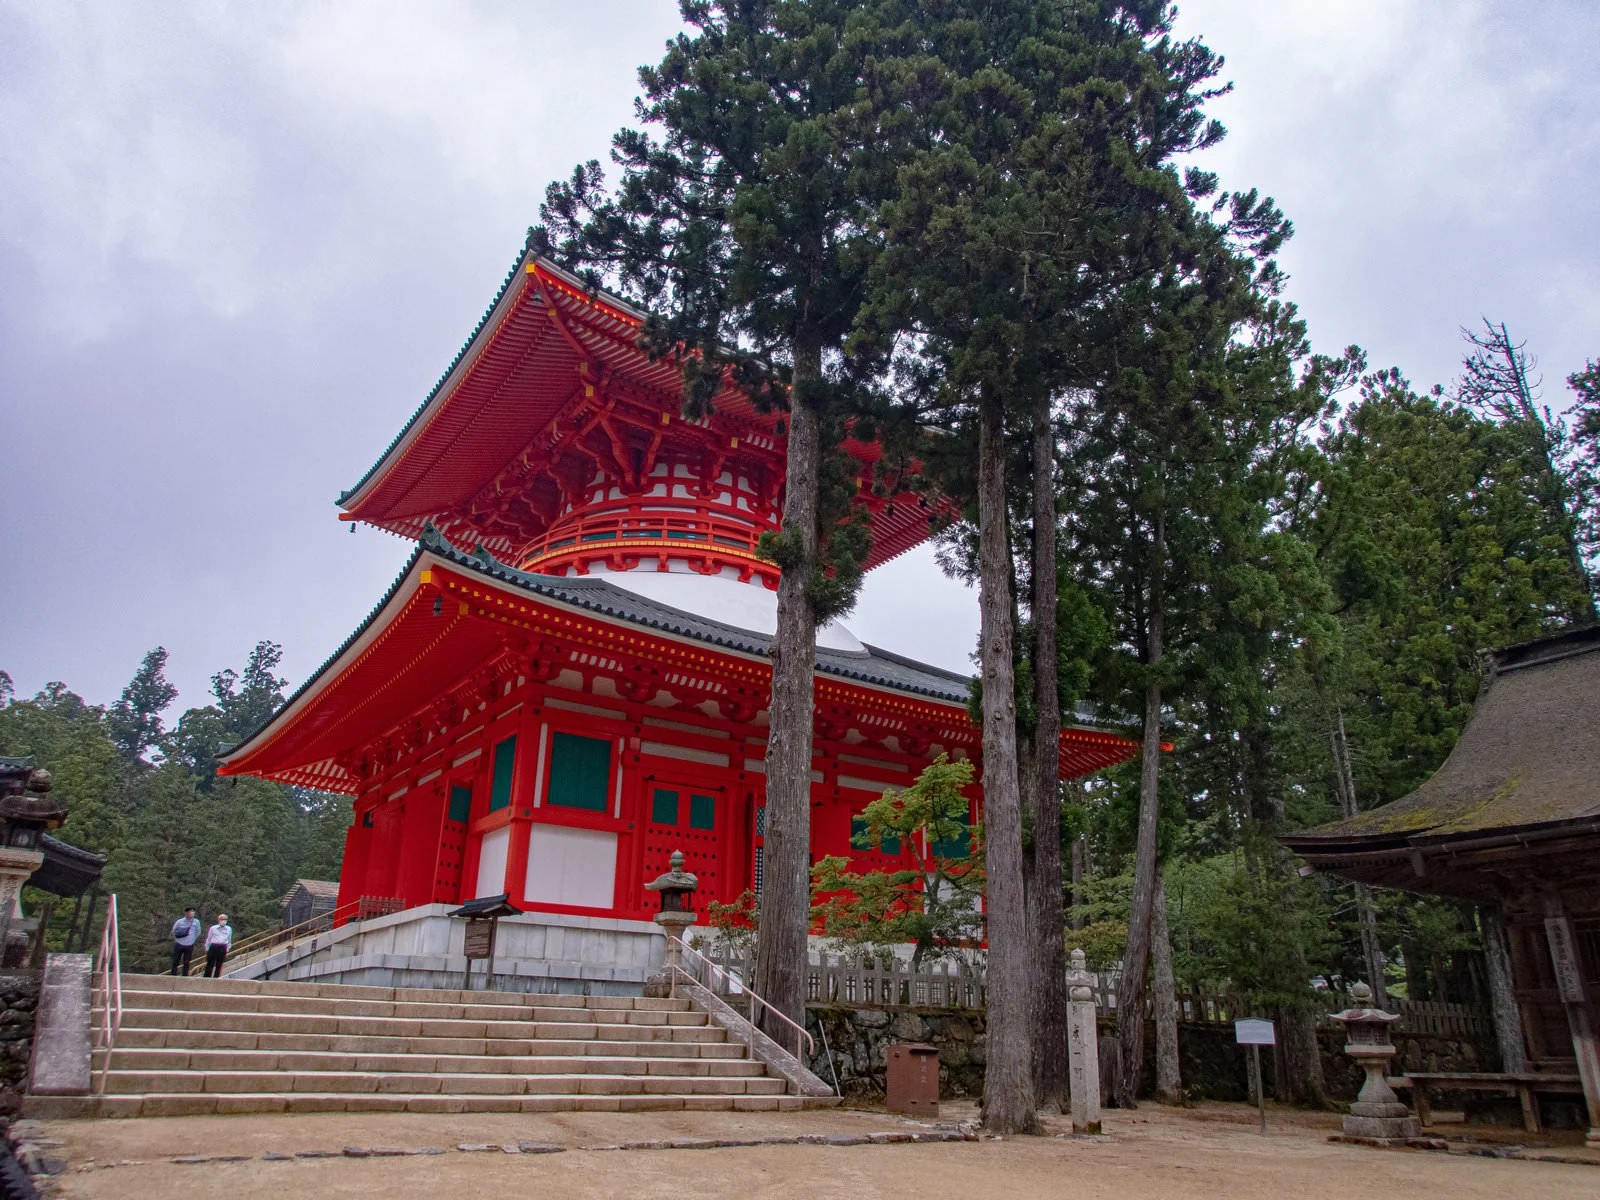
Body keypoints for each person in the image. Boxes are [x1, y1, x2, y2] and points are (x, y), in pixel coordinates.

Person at [169, 907, 201, 976]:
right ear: (186, 913)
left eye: (193, 912)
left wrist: (192, 939)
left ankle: (184, 975)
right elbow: (173, 931)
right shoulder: (180, 921)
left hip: (189, 945)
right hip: (179, 944)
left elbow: (198, 932)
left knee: (186, 962)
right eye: (190, 912)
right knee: (176, 960)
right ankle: (173, 975)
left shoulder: (196, 922)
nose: (192, 913)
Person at [201, 913, 233, 978]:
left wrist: (227, 948)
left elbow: (229, 939)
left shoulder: (229, 928)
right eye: (222, 919)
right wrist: (207, 948)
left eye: (225, 919)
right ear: (219, 920)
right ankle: (206, 977)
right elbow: (209, 938)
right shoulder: (213, 928)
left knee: (219, 964)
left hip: (223, 946)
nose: (224, 921)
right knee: (210, 963)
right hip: (214, 946)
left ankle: (216, 978)